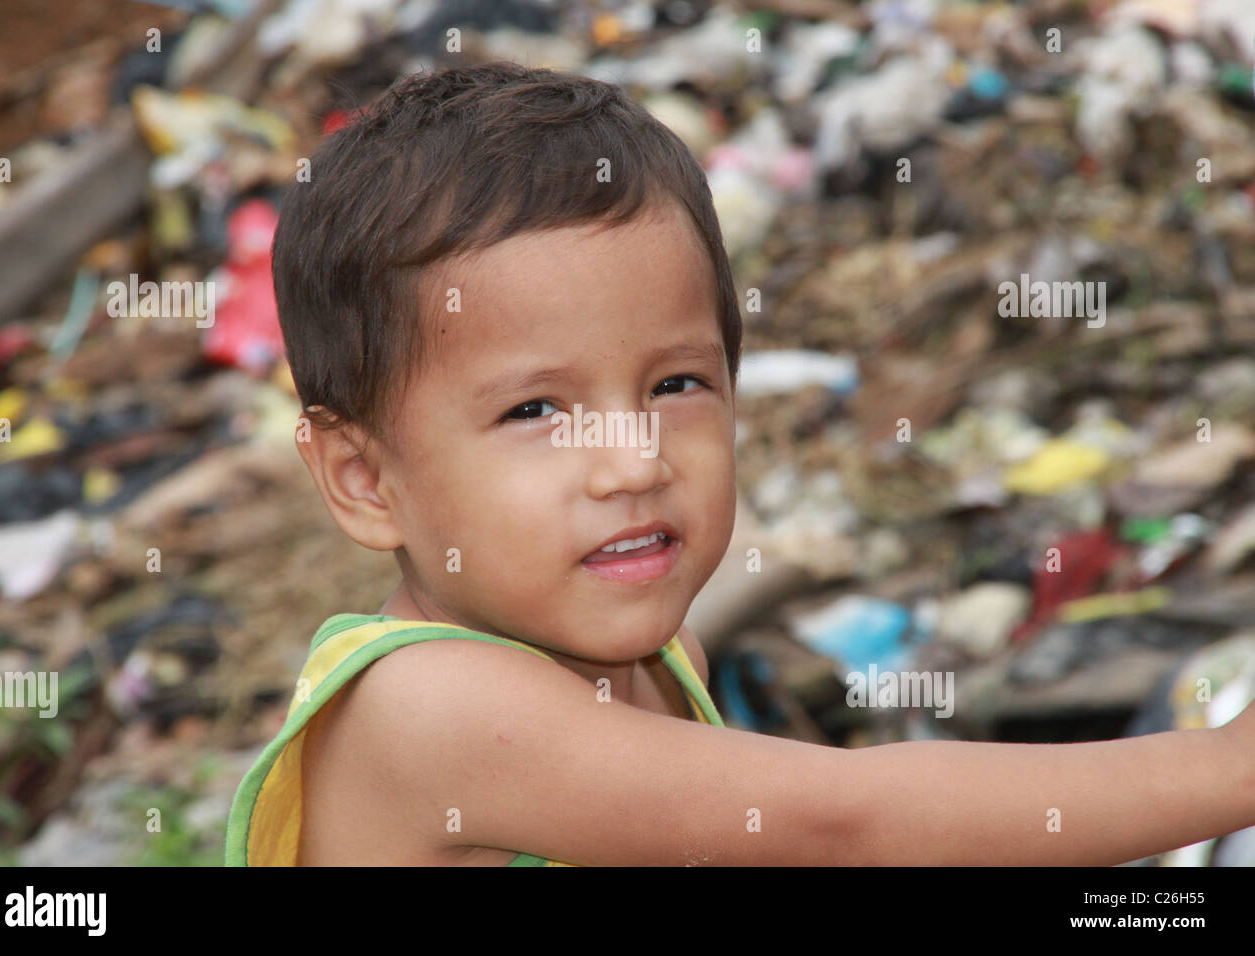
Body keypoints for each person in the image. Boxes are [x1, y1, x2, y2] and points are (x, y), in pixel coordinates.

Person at [225, 62, 1255, 866]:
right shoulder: (431, 706)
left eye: (675, 385)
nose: (631, 461)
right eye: (536, 409)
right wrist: (1224, 764)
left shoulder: (659, 666)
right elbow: (844, 825)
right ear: (365, 482)